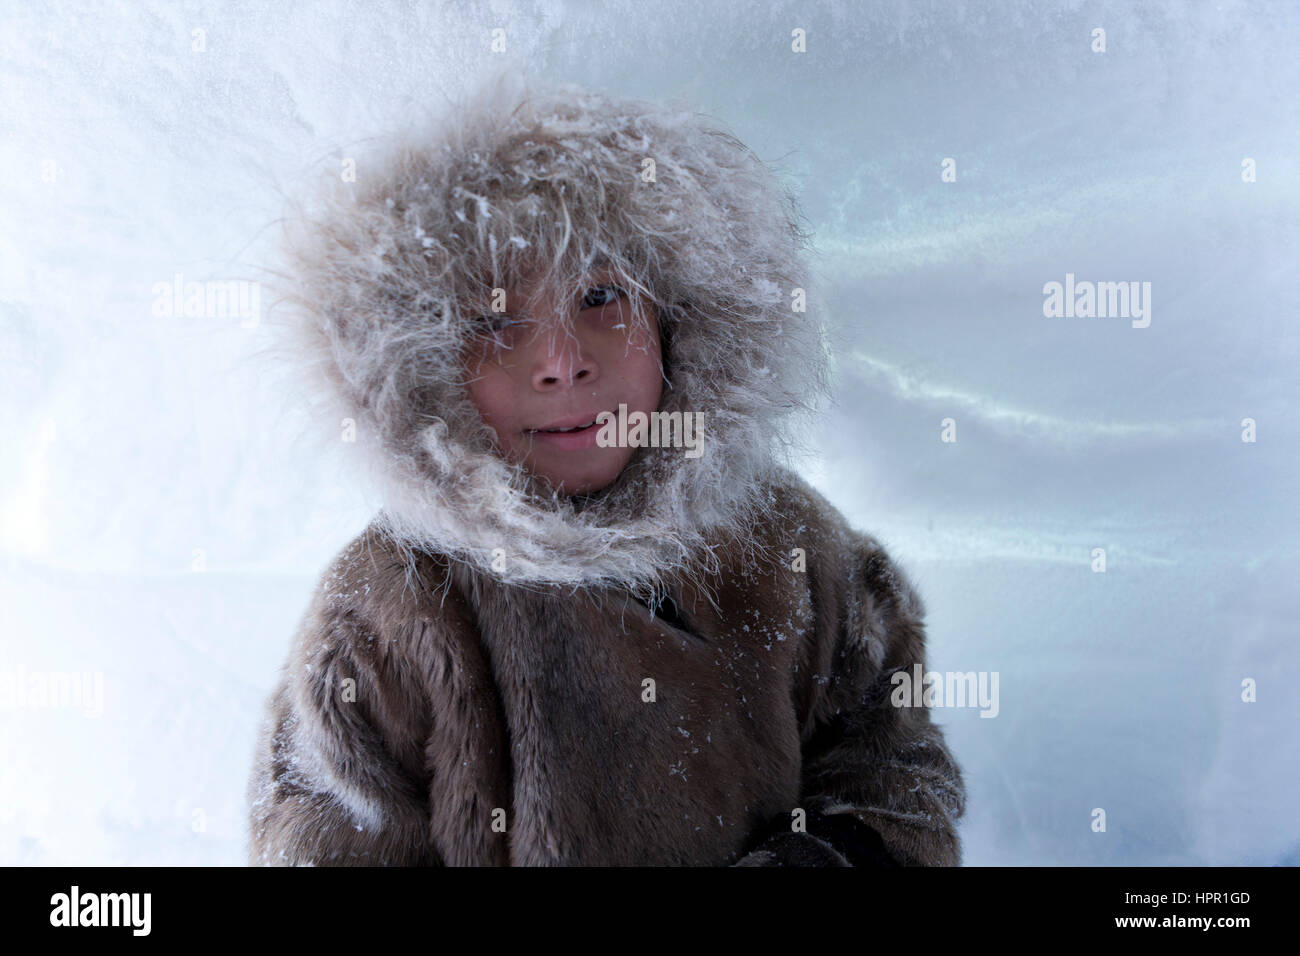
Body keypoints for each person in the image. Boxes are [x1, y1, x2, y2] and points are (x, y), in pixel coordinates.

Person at [246, 70, 966, 866]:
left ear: (679, 323)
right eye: (497, 319)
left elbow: (893, 764)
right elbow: (319, 837)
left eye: (599, 298)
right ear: (428, 366)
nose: (560, 362)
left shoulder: (797, 550)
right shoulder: (386, 612)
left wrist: (837, 854)